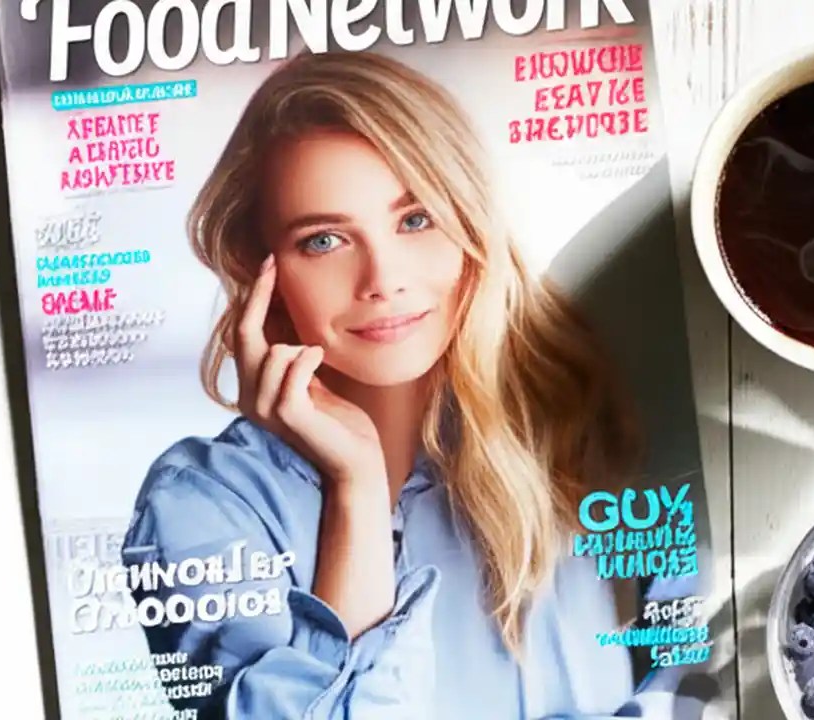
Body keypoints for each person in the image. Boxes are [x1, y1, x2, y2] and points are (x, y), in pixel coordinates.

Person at [121, 51, 708, 719]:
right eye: (323, 240)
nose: (383, 278)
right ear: (257, 269)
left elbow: (702, 678)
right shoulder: (201, 507)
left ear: (469, 223)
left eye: (416, 219)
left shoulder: (587, 412)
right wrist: (357, 489)